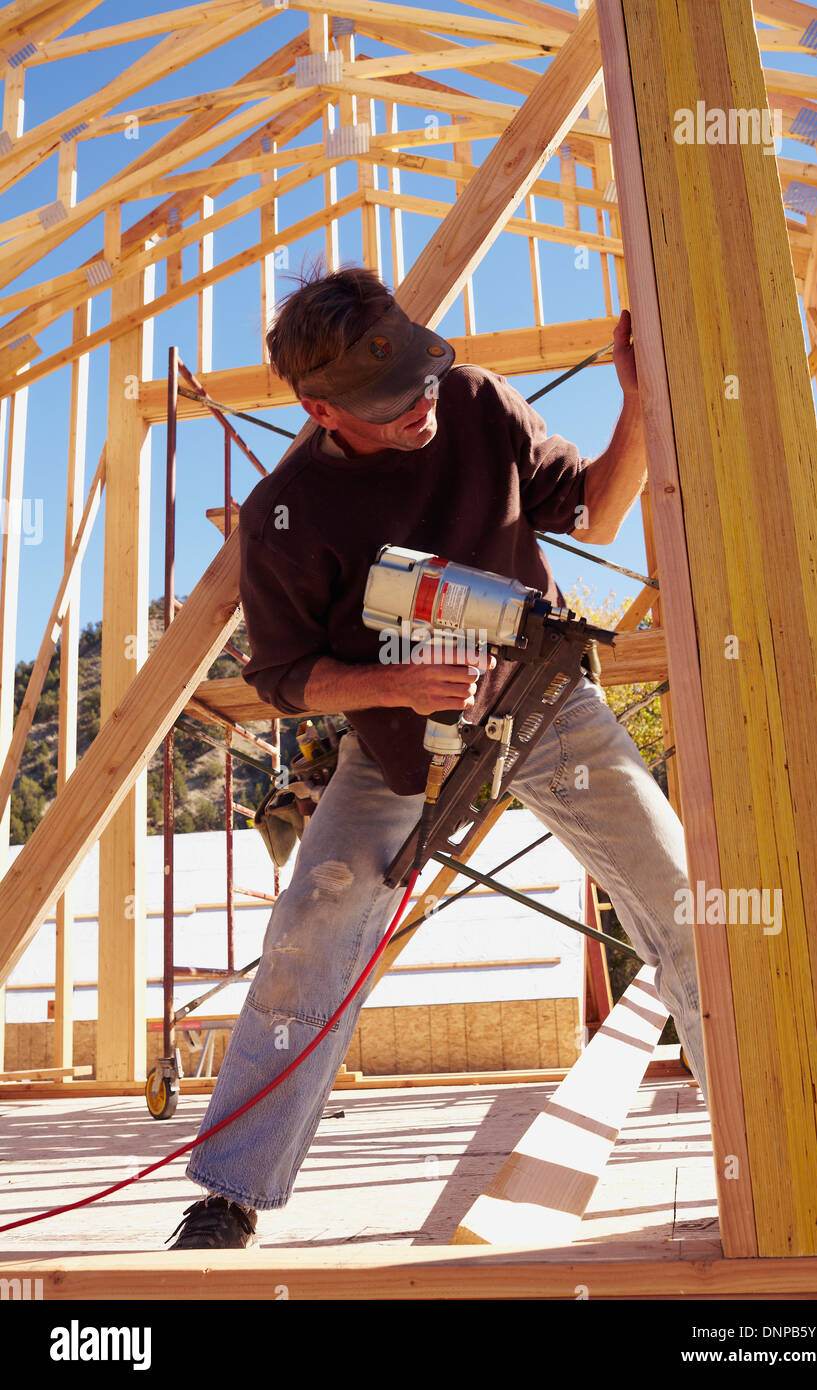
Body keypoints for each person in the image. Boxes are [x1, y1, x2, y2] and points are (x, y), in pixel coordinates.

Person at [166, 266, 709, 1250]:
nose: (420, 404)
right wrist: (390, 686)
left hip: (542, 696)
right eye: (390, 401)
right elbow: (287, 676)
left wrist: (635, 403)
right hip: (395, 742)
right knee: (312, 922)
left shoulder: (470, 400)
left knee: (681, 894)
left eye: (420, 376)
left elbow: (590, 513)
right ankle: (228, 1191)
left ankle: (767, 1135)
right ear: (319, 407)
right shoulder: (286, 514)